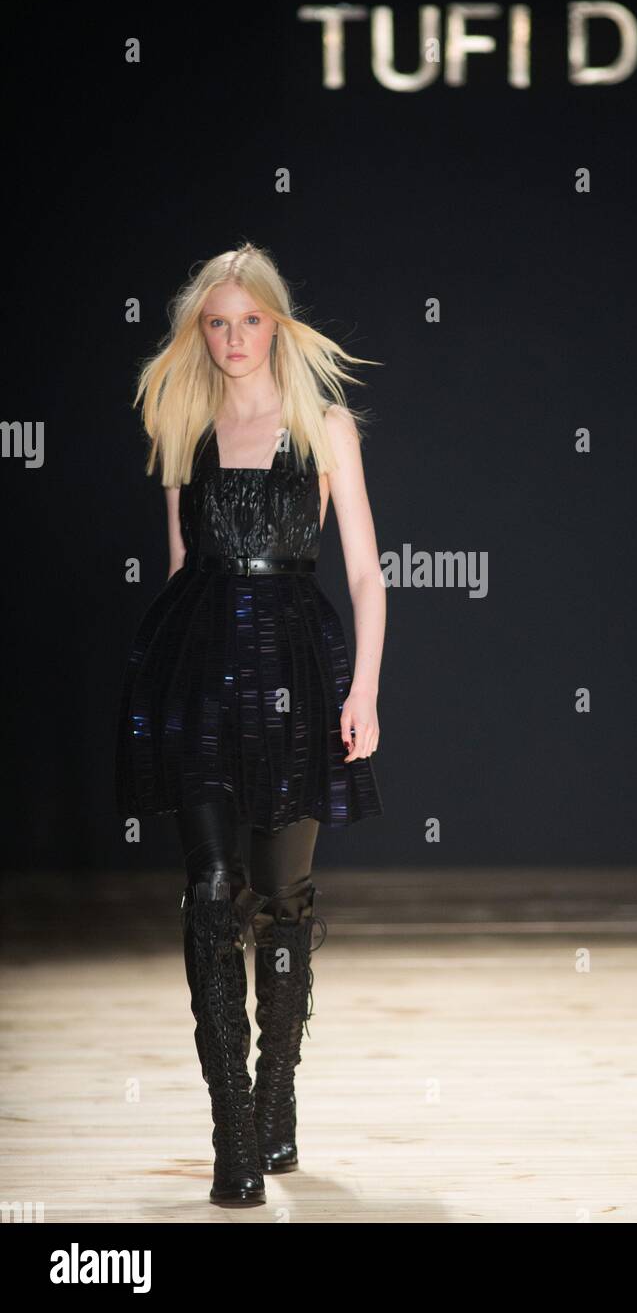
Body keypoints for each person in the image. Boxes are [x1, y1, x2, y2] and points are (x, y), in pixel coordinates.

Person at [114, 241, 385, 1207]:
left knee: (282, 895)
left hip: (297, 672)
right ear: (203, 332)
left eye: (249, 320)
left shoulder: (324, 427)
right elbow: (182, 567)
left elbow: (364, 571)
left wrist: (365, 693)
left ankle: (277, 1098)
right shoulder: (183, 427)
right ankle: (232, 1134)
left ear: (277, 324)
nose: (232, 339)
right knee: (210, 890)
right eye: (216, 323)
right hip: (197, 671)